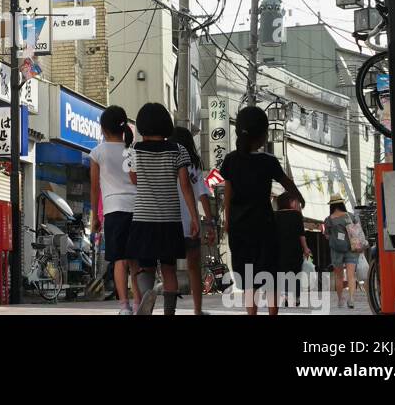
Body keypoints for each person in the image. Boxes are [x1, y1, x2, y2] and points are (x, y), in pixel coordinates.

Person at [220, 107, 305, 315]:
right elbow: (287, 182)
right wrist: (299, 197)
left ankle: (252, 313)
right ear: (261, 136)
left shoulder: (231, 161)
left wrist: (227, 220)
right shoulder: (268, 162)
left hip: (240, 227)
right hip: (264, 226)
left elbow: (228, 194)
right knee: (270, 274)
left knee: (249, 278)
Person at [126, 103, 199, 316]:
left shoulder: (134, 150)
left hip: (143, 219)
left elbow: (134, 179)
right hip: (170, 220)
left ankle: (146, 302)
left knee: (145, 266)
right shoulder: (179, 150)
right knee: (168, 268)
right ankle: (169, 313)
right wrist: (194, 218)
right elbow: (185, 186)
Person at [89, 106, 140, 315]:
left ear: (102, 128)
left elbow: (94, 189)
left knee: (120, 260)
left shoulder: (97, 153)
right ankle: (139, 302)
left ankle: (124, 307)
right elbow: (136, 181)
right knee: (135, 260)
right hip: (136, 209)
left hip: (113, 211)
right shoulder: (131, 150)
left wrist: (95, 217)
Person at [169, 127, 216, 315]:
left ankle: (169, 310)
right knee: (194, 268)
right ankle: (198, 310)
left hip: (169, 223)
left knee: (168, 268)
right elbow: (203, 195)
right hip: (191, 224)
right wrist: (210, 224)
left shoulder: (167, 160)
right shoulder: (193, 164)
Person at [275, 193, 312, 308]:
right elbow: (301, 235)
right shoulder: (296, 215)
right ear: (289, 202)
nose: (296, 204)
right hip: (294, 249)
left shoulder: (274, 215)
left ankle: (286, 296)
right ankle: (296, 298)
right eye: (295, 201)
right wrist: (305, 248)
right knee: (295, 273)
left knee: (283, 272)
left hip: (279, 249)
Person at [324, 193, 360, 309]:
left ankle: (340, 300)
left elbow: (327, 236)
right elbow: (357, 232)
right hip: (351, 248)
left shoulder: (328, 220)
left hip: (336, 250)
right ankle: (351, 299)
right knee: (351, 276)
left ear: (331, 206)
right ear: (342, 203)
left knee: (339, 277)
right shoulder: (350, 216)